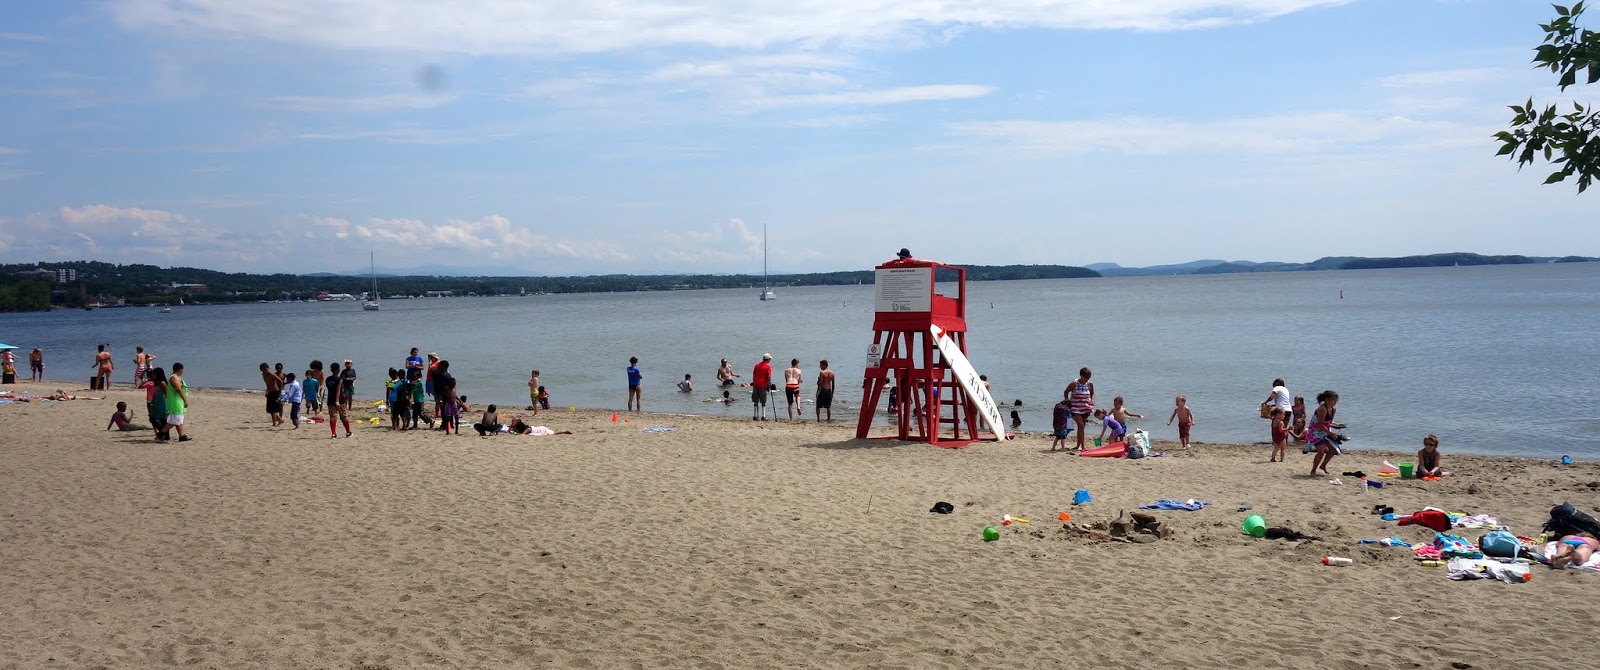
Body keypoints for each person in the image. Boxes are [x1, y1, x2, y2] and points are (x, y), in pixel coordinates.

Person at [1307, 390, 1346, 477]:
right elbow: (1319, 424)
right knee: (1320, 452)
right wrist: (1330, 433)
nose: (1335, 402)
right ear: (1327, 400)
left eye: (1336, 400)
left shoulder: (1333, 409)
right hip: (1315, 432)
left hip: (1324, 431)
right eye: (1333, 400)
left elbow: (1328, 422)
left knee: (1333, 450)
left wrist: (1338, 426)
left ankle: (1323, 465)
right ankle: (1313, 470)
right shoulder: (1322, 409)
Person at [1067, 368, 1095, 451]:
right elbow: (1066, 392)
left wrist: (1092, 401)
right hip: (1075, 408)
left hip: (1086, 407)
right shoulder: (1074, 383)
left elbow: (1092, 393)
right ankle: (1083, 446)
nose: (1087, 379)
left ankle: (1078, 445)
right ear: (1081, 376)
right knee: (1081, 425)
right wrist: (1068, 403)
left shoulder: (1089, 384)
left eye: (1088, 378)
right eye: (1086, 378)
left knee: (1081, 427)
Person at [165, 362, 190, 442]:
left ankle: (182, 436)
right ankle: (161, 433)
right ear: (180, 369)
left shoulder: (175, 377)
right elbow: (178, 389)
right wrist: (185, 399)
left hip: (178, 401)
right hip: (176, 401)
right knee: (175, 420)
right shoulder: (174, 378)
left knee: (179, 419)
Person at [144, 367, 169, 441]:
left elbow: (167, 394)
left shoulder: (162, 383)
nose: (152, 375)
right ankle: (163, 433)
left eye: (154, 374)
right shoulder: (156, 382)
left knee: (162, 420)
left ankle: (163, 434)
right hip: (156, 401)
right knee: (154, 419)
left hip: (162, 401)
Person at [326, 362, 350, 438]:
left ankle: (333, 433)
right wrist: (337, 401)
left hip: (330, 399)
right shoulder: (339, 379)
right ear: (338, 370)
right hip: (339, 400)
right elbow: (338, 390)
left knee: (332, 416)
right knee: (343, 416)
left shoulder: (328, 379)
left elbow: (330, 389)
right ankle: (348, 432)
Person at [260, 362, 284, 427]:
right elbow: (268, 384)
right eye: (264, 370)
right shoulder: (263, 375)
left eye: (266, 369)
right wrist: (266, 392)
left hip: (275, 392)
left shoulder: (271, 374)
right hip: (270, 392)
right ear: (261, 370)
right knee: (270, 409)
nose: (266, 371)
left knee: (273, 409)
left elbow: (281, 381)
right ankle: (274, 423)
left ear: (268, 368)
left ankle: (280, 420)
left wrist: (280, 392)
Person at [751, 354, 773, 420]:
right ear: (768, 359)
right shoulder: (768, 366)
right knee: (763, 401)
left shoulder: (757, 365)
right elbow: (769, 377)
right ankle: (763, 416)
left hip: (756, 384)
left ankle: (755, 416)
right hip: (763, 385)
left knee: (755, 400)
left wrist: (754, 382)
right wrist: (769, 385)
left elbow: (754, 375)